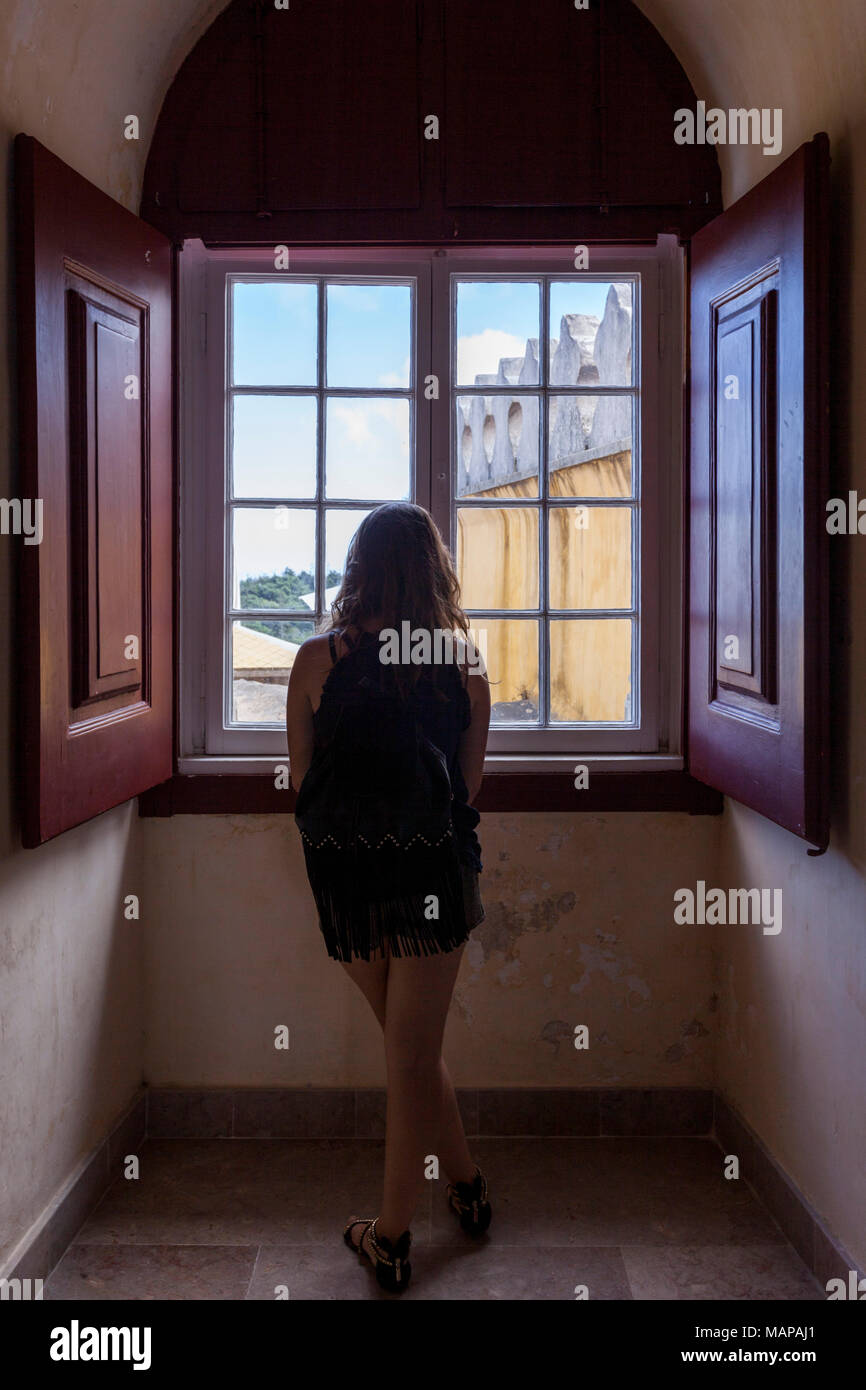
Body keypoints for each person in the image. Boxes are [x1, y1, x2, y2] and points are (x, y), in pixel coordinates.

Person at [286, 502, 492, 1293]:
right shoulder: (462, 662)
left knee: (406, 1050)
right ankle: (463, 1186)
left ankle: (393, 1234)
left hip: (346, 878)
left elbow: (303, 781)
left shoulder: (317, 658)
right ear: (433, 570)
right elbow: (467, 787)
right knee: (413, 1052)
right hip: (434, 874)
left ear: (359, 567)